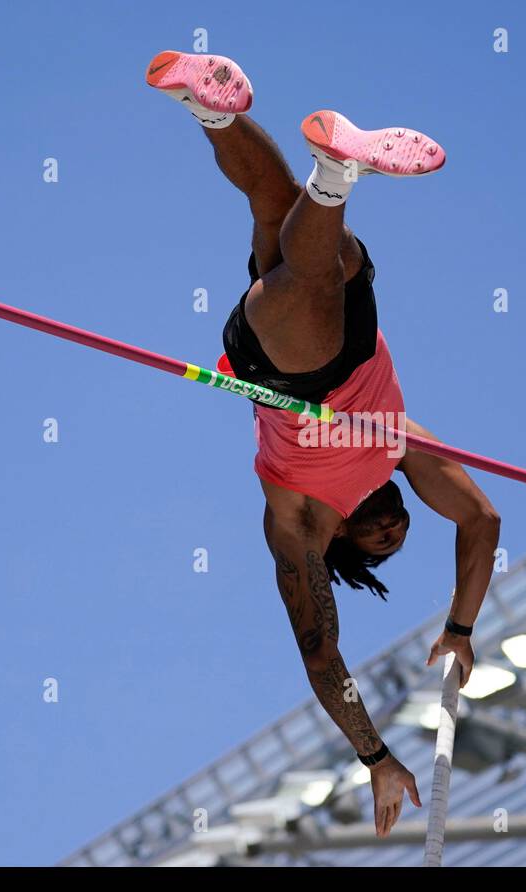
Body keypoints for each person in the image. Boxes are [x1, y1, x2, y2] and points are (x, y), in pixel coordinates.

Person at [147, 50, 501, 837]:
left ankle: (337, 171)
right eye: (404, 527)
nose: (394, 529)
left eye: (379, 546)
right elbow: (481, 522)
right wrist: (461, 627)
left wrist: (376, 756)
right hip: (348, 318)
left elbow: (321, 655)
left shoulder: (299, 519)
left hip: (284, 366)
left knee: (314, 286)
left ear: (343, 542)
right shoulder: (402, 443)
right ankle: (207, 104)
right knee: (280, 210)